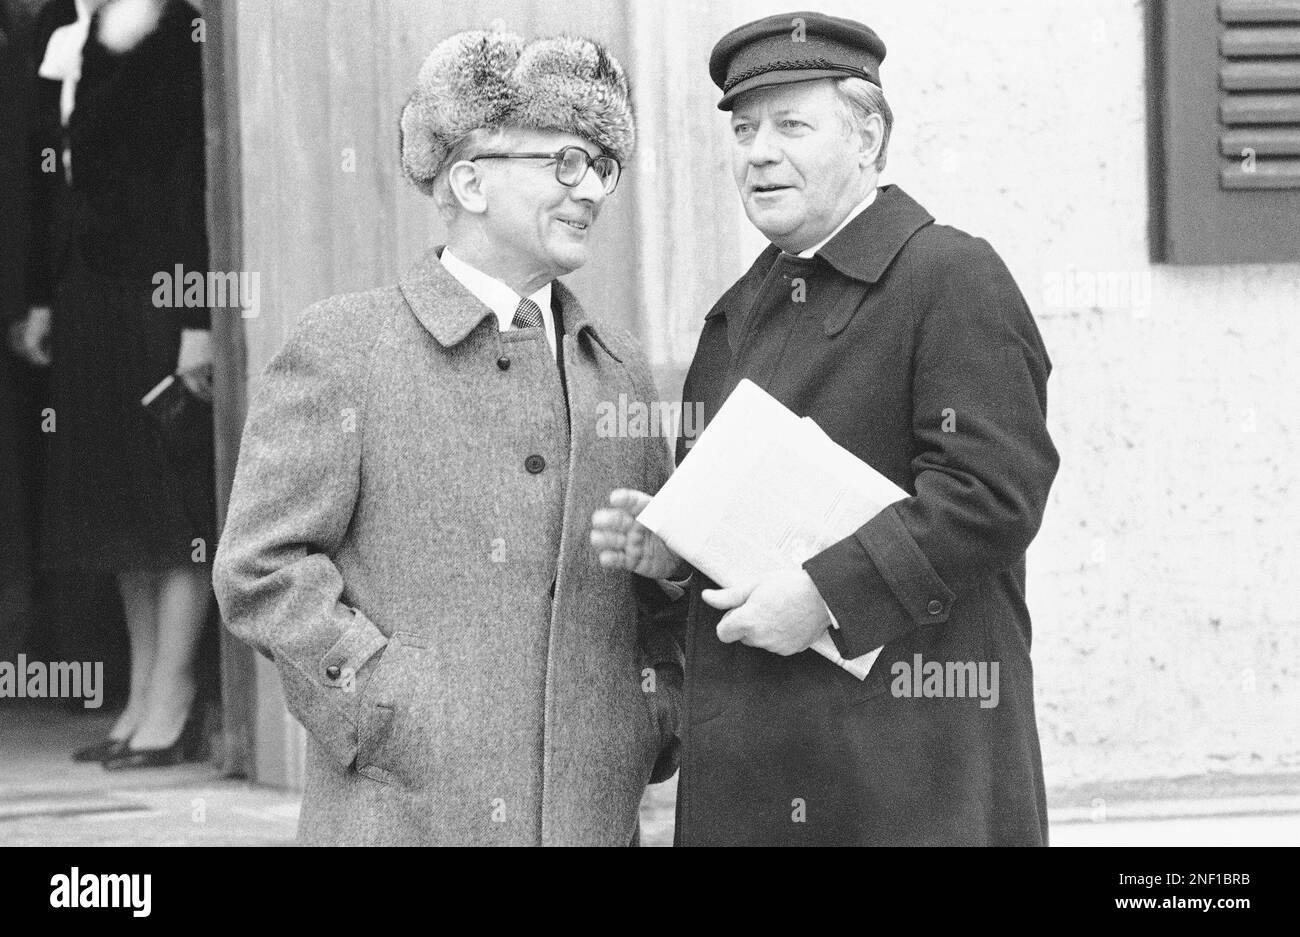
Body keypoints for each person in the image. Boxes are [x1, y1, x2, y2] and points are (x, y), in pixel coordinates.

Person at [591, 11, 1059, 845]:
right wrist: (674, 554)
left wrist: (824, 595)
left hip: (909, 789)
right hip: (752, 792)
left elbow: (991, 495)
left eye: (791, 126)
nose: (759, 152)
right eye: (743, 130)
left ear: (868, 137)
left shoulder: (950, 275)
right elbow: (740, 543)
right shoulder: (734, 318)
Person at [213, 29, 685, 847]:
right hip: (403, 821)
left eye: (603, 165)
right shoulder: (345, 346)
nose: (591, 189)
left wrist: (650, 711)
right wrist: (388, 707)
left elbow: (662, 586)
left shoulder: (620, 369)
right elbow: (260, 567)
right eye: (565, 161)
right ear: (469, 180)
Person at [12, 0, 214, 768]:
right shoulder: (70, 28)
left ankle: (175, 696)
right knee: (120, 507)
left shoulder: (174, 30)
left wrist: (198, 318)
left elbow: (191, 182)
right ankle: (140, 696)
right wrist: (45, 295)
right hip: (90, 292)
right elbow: (56, 180)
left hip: (156, 292)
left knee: (170, 501)